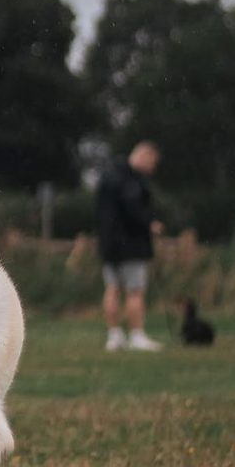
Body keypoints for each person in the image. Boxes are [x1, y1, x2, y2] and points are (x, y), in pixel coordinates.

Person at [95, 141, 164, 352]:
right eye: (153, 163)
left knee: (112, 289)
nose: (152, 169)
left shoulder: (107, 176)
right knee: (135, 291)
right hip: (131, 245)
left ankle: (114, 336)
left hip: (108, 244)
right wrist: (150, 224)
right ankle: (137, 335)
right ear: (145, 156)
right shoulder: (131, 180)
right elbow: (132, 209)